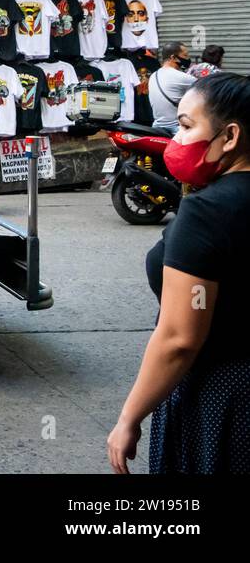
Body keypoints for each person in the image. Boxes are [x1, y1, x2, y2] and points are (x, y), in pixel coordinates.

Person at [108, 73, 250, 474]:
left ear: (231, 136)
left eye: (186, 126)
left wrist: (128, 417)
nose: (177, 140)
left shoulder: (208, 212)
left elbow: (180, 339)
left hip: (223, 401)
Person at [148, 42, 197, 135]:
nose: (188, 59)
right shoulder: (183, 77)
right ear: (173, 58)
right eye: (185, 55)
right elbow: (207, 91)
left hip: (157, 127)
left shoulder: (153, 75)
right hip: (176, 128)